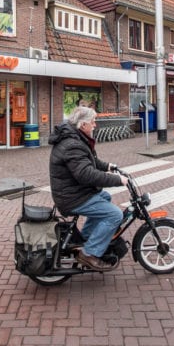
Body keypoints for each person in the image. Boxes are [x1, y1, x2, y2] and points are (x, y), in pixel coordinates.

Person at [49, 106, 128, 272]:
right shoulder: (72, 144)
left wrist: (108, 166)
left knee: (105, 197)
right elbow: (86, 174)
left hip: (74, 192)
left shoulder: (75, 137)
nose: (95, 125)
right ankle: (89, 253)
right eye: (93, 122)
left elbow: (89, 160)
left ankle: (85, 238)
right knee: (114, 214)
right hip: (71, 197)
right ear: (83, 124)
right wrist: (117, 180)